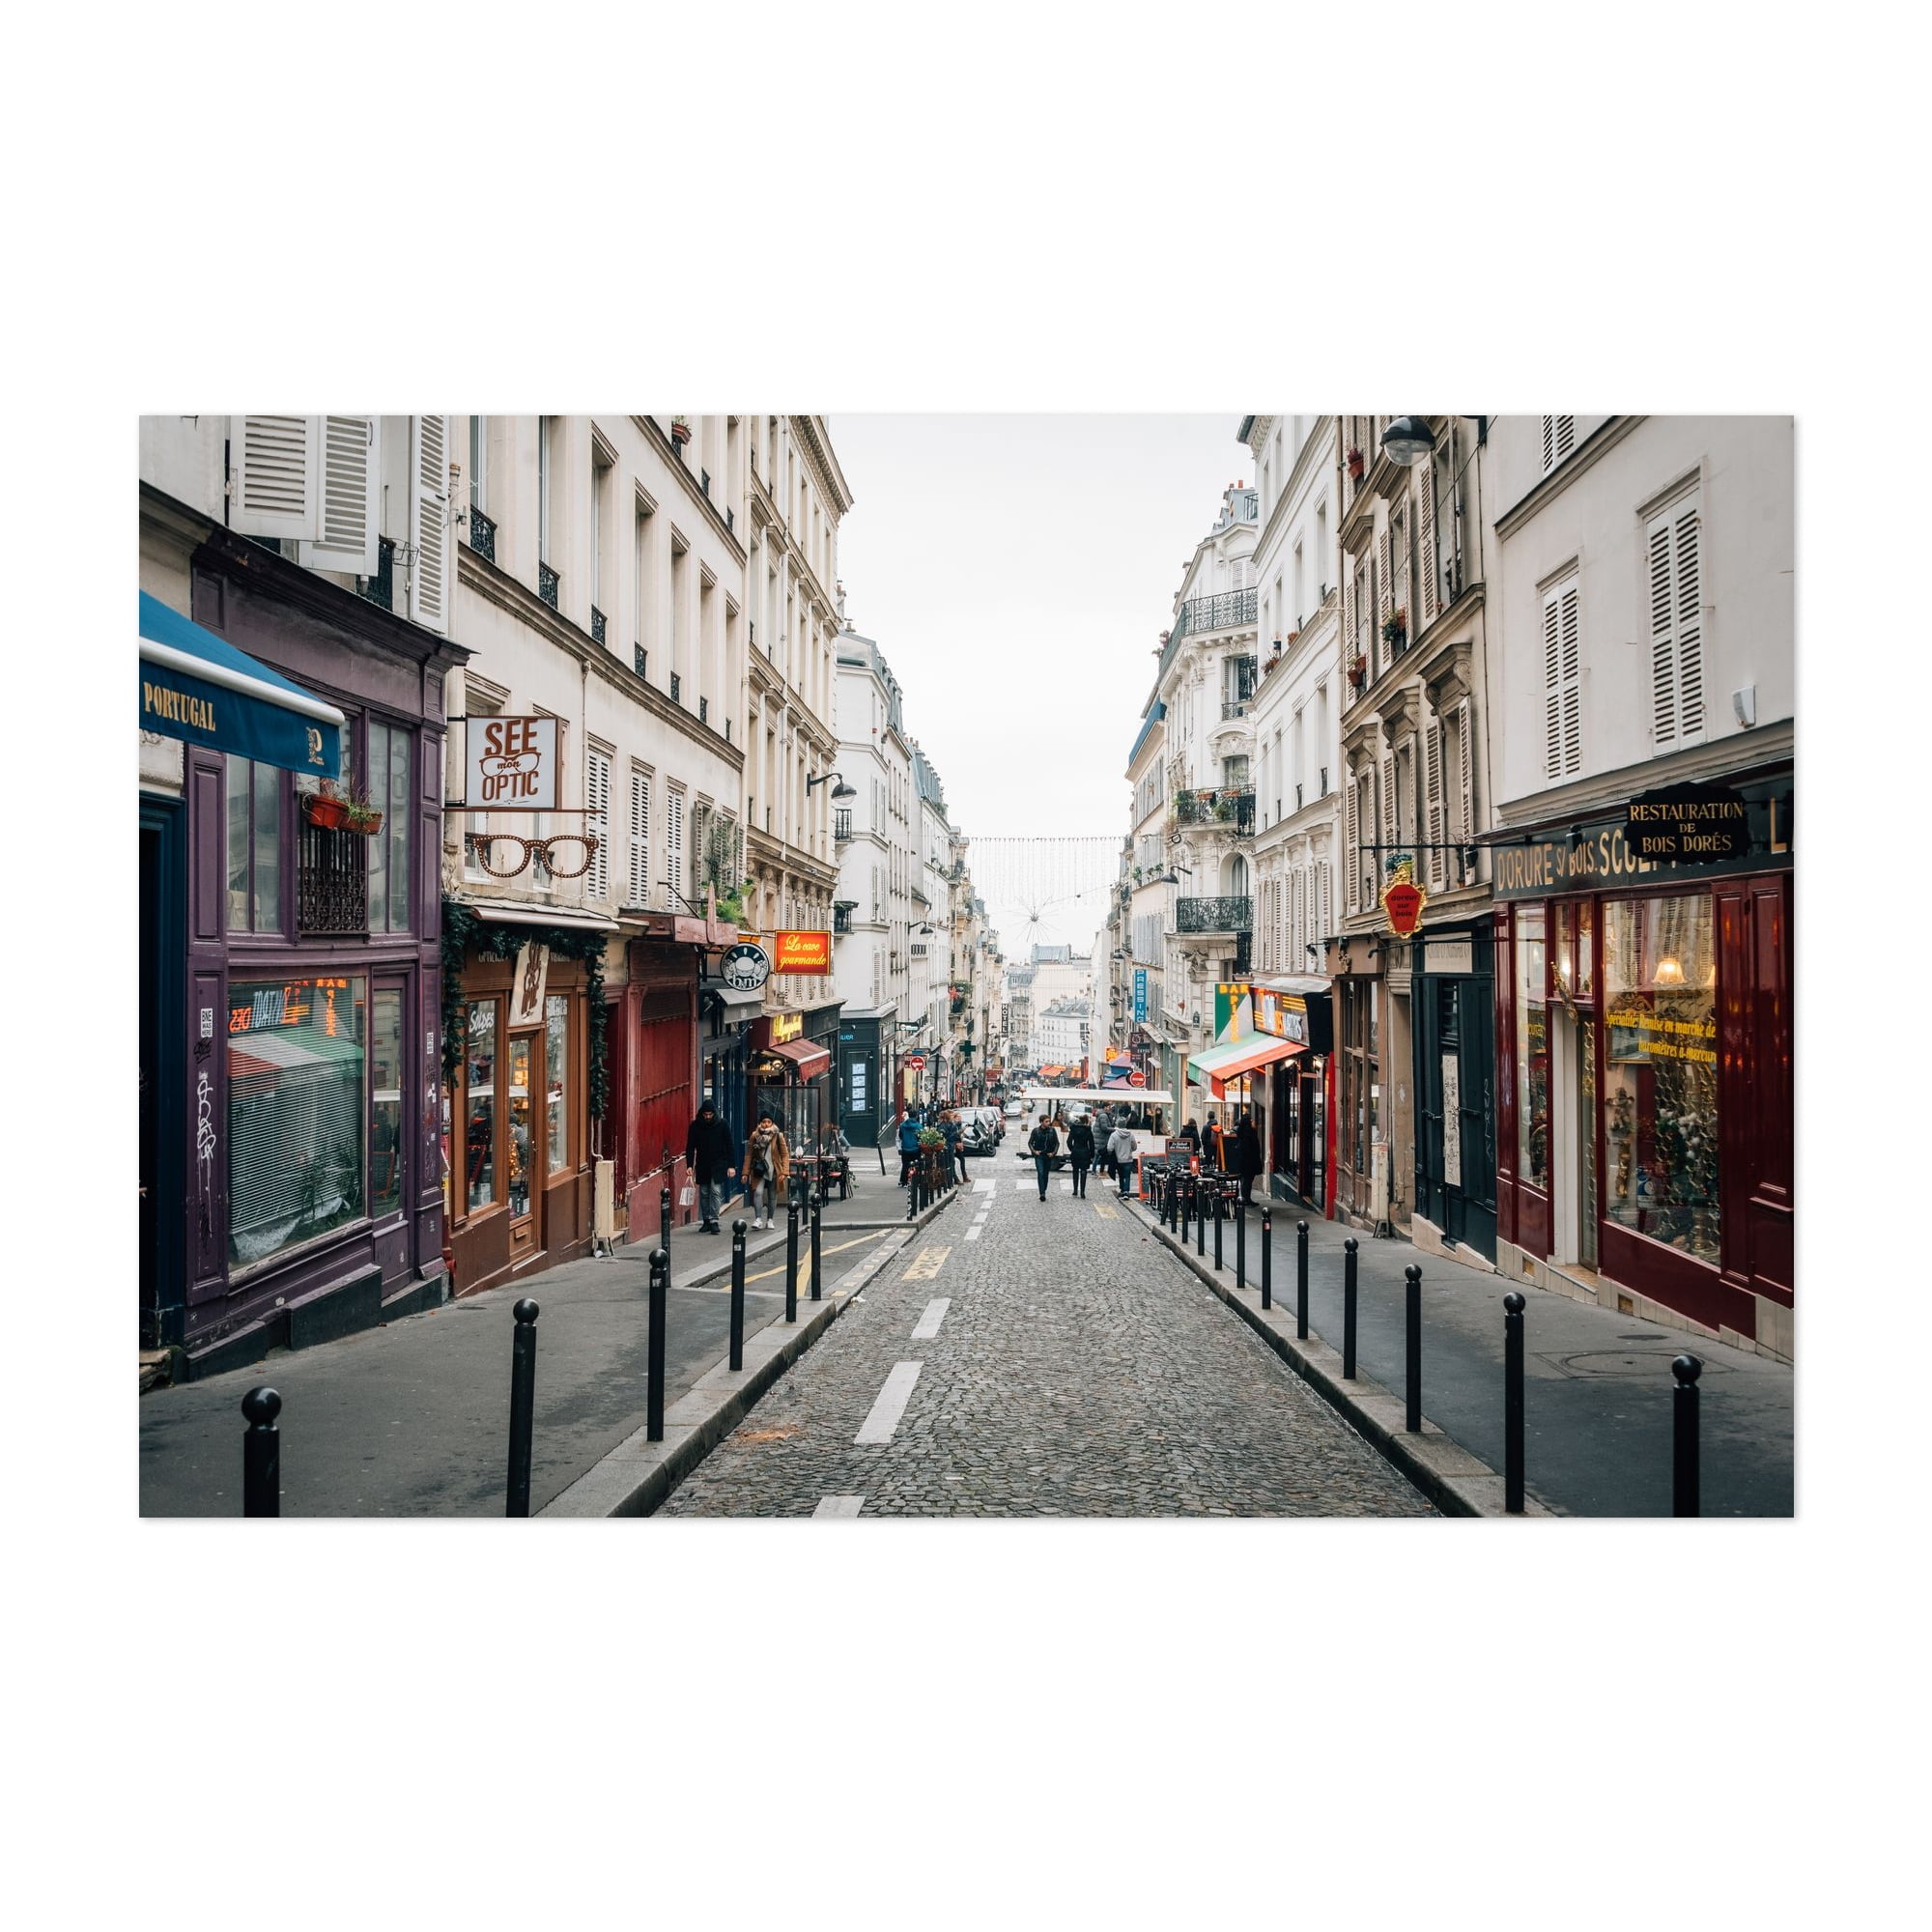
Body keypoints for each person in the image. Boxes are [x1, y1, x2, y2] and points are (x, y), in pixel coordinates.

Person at [685, 1101, 738, 1234]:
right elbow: (690, 1147)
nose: (708, 1117)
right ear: (702, 1113)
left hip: (718, 1163)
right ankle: (706, 1220)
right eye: (705, 1114)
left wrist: (731, 1166)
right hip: (703, 1163)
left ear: (714, 1113)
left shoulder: (722, 1124)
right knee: (704, 1192)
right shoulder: (695, 1126)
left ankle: (714, 1220)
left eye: (710, 1114)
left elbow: (730, 1145)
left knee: (715, 1191)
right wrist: (689, 1165)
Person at [745, 1112, 790, 1229]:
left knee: (772, 1195)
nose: (766, 1124)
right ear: (760, 1123)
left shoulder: (778, 1135)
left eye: (769, 1122)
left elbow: (784, 1154)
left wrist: (785, 1171)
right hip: (759, 1170)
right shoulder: (755, 1136)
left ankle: (770, 1220)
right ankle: (758, 1219)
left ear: (772, 1123)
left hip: (774, 1170)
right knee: (758, 1192)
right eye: (764, 1121)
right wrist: (745, 1173)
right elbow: (749, 1155)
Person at [1027, 1113, 1060, 1201]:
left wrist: (1053, 1153)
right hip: (1039, 1156)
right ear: (1041, 1122)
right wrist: (1034, 1151)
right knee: (1040, 1173)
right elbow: (1030, 1143)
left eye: (1049, 1121)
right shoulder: (1035, 1131)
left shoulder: (1052, 1130)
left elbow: (1057, 1143)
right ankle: (1042, 1193)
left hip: (1048, 1155)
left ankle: (1043, 1189)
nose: (1048, 1123)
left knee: (1045, 1174)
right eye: (1046, 1121)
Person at [1234, 1110, 1263, 1207]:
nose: (1252, 1122)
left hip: (1243, 1161)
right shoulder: (1250, 1132)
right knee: (1248, 1181)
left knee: (1245, 1180)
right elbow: (1252, 1147)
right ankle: (1246, 1199)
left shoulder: (1241, 1131)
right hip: (1250, 1161)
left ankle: (1245, 1198)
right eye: (1251, 1120)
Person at [1065, 1114, 1095, 1198]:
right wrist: (1092, 1154)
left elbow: (1069, 1142)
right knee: (1083, 1171)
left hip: (1075, 1151)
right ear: (1085, 1122)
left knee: (1075, 1170)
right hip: (1085, 1152)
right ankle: (1082, 1192)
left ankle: (1075, 1190)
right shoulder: (1088, 1130)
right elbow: (1091, 1144)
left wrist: (1072, 1149)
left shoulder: (1073, 1129)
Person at [1108, 1119, 1139, 1198]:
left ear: (1118, 1124)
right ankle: (1126, 1191)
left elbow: (1109, 1148)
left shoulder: (1114, 1135)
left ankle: (1122, 1189)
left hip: (1118, 1159)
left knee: (1121, 1175)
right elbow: (1134, 1147)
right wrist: (1130, 1150)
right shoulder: (1130, 1135)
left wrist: (1113, 1153)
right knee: (1127, 1176)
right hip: (1128, 1159)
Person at [896, 1111, 923, 1188]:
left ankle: (904, 1181)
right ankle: (916, 1181)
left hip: (905, 1148)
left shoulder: (902, 1125)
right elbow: (921, 1137)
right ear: (916, 1116)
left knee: (905, 1165)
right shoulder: (918, 1126)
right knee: (916, 1165)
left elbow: (900, 1136)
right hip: (915, 1148)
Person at [940, 1108, 964, 1185]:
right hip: (949, 1146)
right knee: (950, 1163)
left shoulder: (943, 1125)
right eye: (952, 1116)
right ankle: (951, 1181)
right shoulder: (950, 1125)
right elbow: (952, 1136)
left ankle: (950, 1180)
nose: (953, 1117)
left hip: (947, 1146)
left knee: (950, 1163)